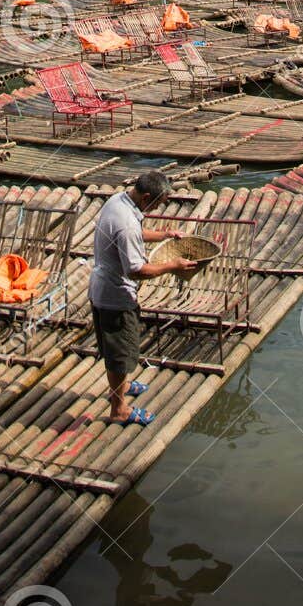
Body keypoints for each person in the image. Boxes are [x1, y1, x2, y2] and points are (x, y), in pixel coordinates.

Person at [89, 170, 199, 425]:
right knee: (119, 355)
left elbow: (132, 234)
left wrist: (164, 235)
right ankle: (119, 409)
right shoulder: (127, 222)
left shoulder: (118, 201)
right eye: (158, 203)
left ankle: (122, 388)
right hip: (115, 295)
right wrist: (173, 266)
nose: (157, 207)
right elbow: (136, 270)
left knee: (119, 350)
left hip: (102, 287)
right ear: (147, 196)